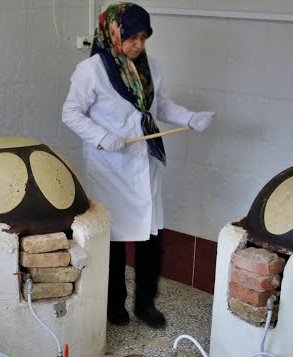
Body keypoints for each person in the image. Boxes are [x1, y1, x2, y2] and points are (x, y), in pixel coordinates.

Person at [62, 3, 215, 329]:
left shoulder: (149, 67)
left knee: (150, 238)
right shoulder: (92, 71)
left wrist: (189, 117)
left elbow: (159, 105)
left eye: (144, 37)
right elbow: (71, 113)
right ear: (113, 33)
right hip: (109, 166)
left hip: (144, 163)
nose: (138, 45)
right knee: (114, 241)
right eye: (131, 37)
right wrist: (102, 137)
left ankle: (146, 304)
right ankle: (113, 305)